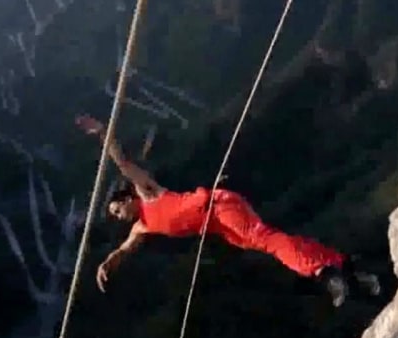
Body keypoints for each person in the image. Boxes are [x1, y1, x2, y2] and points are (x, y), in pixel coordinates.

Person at [74, 114, 381, 306]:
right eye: (115, 215)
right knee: (270, 242)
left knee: (267, 240)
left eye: (118, 209)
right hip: (220, 227)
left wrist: (103, 134)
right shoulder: (141, 226)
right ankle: (342, 263)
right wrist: (106, 265)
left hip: (219, 207)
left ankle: (324, 273)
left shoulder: (147, 193)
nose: (119, 215)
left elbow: (124, 164)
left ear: (128, 198)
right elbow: (124, 251)